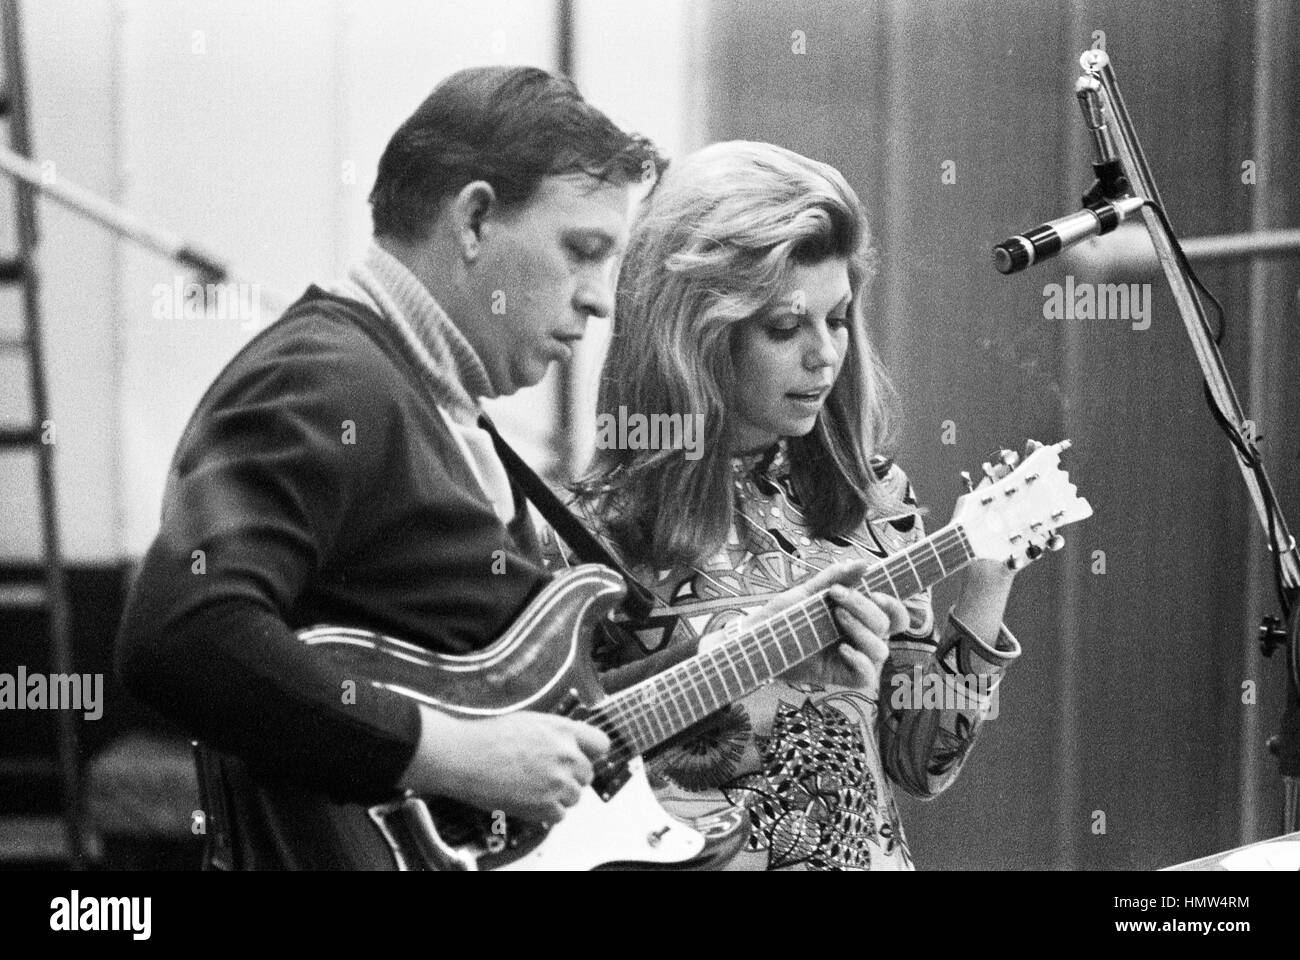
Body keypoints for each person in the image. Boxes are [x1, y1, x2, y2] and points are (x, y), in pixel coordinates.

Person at [114, 69, 890, 869]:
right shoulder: (327, 378)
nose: (599, 301)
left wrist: (767, 646)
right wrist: (451, 756)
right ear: (476, 220)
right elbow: (181, 635)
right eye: (582, 251)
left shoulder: (434, 406)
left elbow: (531, 721)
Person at [545, 140, 1031, 871]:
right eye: (785, 328)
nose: (824, 356)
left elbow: (920, 763)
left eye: (837, 319)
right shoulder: (595, 535)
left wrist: (988, 583)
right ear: (695, 337)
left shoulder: (875, 498)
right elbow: (564, 779)